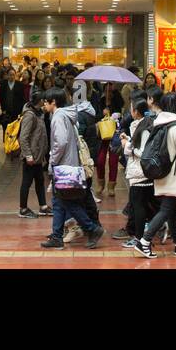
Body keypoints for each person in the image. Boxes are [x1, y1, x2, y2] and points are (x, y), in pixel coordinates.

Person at [39, 88, 104, 249]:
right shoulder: (66, 115)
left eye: (45, 102)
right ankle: (57, 236)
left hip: (63, 166)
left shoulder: (58, 117)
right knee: (60, 201)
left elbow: (60, 142)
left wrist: (52, 161)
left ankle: (91, 228)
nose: (44, 105)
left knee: (66, 201)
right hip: (70, 164)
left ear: (53, 102)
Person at [134, 93, 176, 258]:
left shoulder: (159, 124)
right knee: (167, 209)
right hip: (174, 175)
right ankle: (144, 241)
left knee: (171, 209)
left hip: (160, 172)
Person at [120, 97, 157, 248]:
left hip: (140, 173)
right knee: (141, 207)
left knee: (139, 207)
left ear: (136, 111)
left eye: (131, 108)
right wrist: (129, 140)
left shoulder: (144, 127)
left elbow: (144, 152)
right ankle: (142, 237)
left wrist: (128, 147)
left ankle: (140, 239)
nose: (130, 111)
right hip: (138, 172)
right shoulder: (139, 125)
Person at [17, 90, 50, 218]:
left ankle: (43, 206)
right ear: (40, 101)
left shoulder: (38, 113)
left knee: (40, 180)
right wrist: (28, 155)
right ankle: (23, 209)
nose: (45, 102)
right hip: (31, 156)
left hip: (37, 155)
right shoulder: (30, 115)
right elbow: (23, 137)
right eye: (44, 100)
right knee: (26, 182)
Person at [94, 83, 124, 199]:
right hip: (102, 133)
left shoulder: (118, 100)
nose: (109, 93)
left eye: (111, 91)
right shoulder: (100, 100)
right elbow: (95, 115)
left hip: (114, 133)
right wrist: (102, 114)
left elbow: (122, 114)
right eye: (107, 90)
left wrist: (115, 115)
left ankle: (111, 185)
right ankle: (100, 183)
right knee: (100, 160)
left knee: (113, 160)